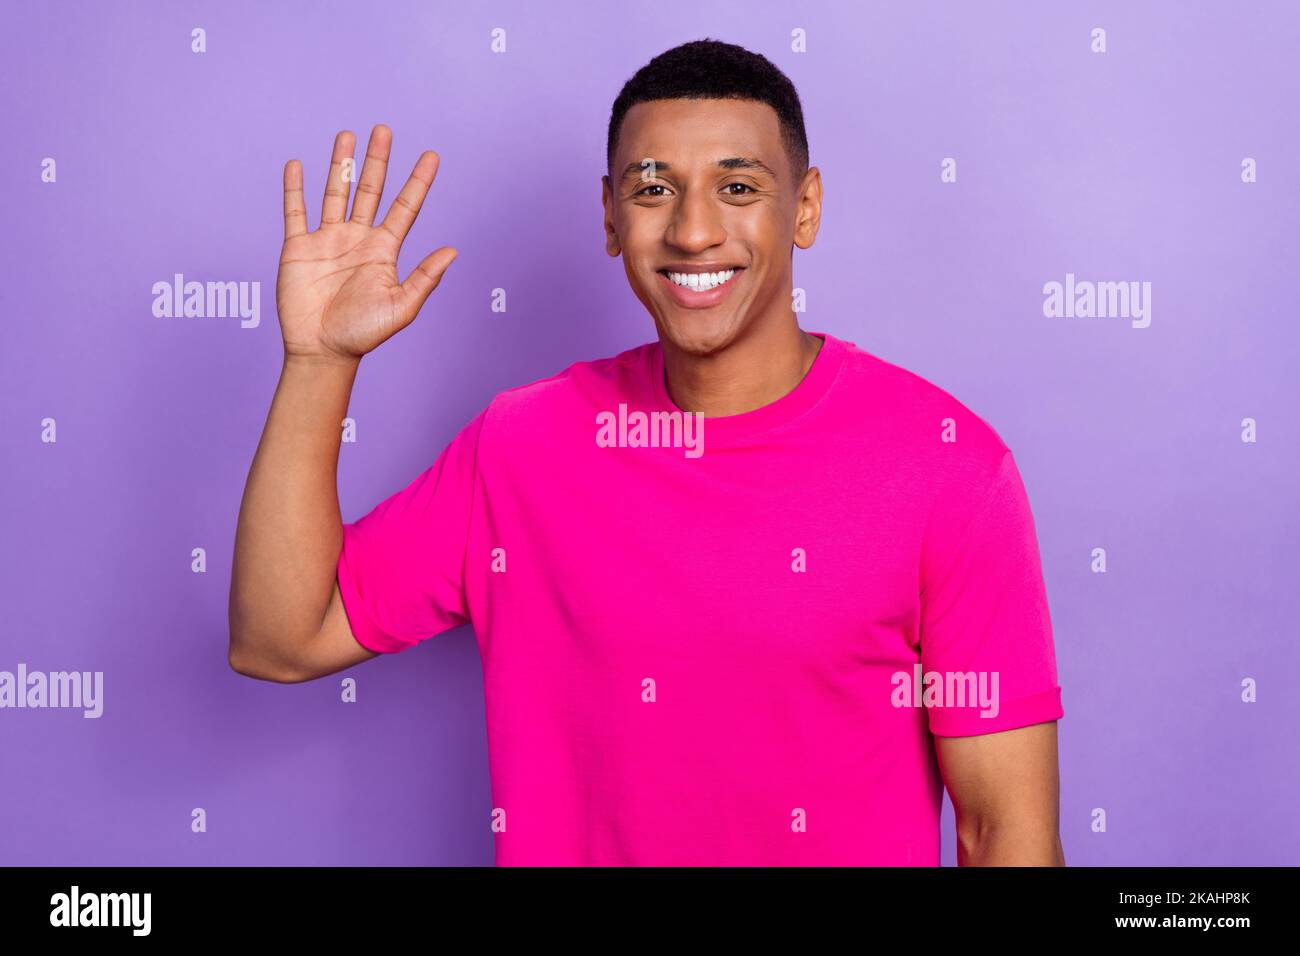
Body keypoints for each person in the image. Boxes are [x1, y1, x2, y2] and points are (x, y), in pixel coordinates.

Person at [228, 39, 1065, 866]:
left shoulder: (948, 467)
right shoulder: (521, 445)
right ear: (609, 216)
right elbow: (280, 638)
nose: (694, 231)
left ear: (805, 208)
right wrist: (318, 363)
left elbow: (1004, 837)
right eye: (654, 189)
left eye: (738, 187)